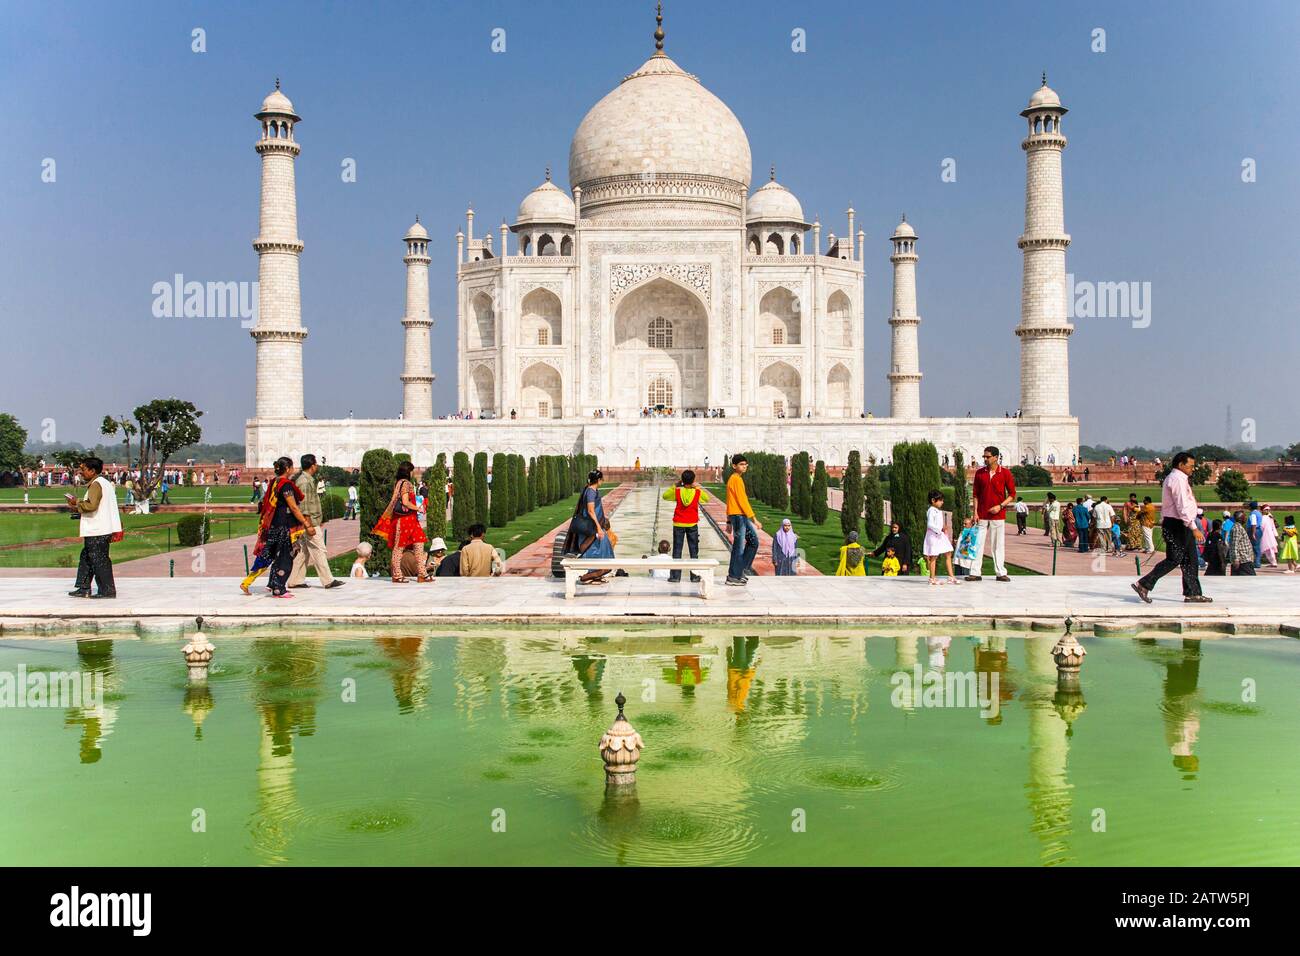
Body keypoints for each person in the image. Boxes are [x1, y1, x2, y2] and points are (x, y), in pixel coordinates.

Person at [1132, 452, 1210, 603]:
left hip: (1180, 523)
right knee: (1174, 559)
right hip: (1177, 524)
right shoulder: (1176, 479)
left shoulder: (1179, 478)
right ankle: (1143, 584)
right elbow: (1182, 506)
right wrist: (1193, 527)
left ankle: (1192, 593)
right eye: (1190, 466)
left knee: (1190, 560)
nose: (1192, 469)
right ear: (1181, 465)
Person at [66, 457, 121, 599]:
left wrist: (76, 502)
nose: (81, 473)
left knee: (99, 560)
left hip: (98, 530)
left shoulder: (96, 484)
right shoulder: (104, 483)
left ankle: (107, 590)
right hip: (101, 528)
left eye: (83, 470)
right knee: (87, 557)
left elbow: (91, 506)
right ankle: (84, 588)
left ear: (92, 470)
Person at [287, 454, 343, 590]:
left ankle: (294, 580)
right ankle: (328, 580)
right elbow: (304, 506)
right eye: (316, 463)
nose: (317, 466)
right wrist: (308, 525)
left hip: (308, 521)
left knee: (303, 552)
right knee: (319, 549)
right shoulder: (305, 482)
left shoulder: (305, 479)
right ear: (312, 465)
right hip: (308, 522)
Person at [263, 456, 314, 598]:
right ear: (287, 468)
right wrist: (306, 523)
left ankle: (273, 584)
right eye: (292, 467)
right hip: (284, 525)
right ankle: (279, 589)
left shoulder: (275, 482)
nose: (293, 469)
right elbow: (293, 506)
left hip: (275, 523)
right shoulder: (285, 484)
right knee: (285, 556)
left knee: (278, 556)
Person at [374, 461, 428, 583]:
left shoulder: (399, 483)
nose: (413, 473)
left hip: (411, 520)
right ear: (408, 471)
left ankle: (422, 573)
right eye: (412, 470)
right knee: (399, 547)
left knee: (419, 543)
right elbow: (405, 502)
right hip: (404, 520)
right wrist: (417, 508)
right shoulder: (405, 483)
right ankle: (397, 575)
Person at [969, 446, 1015, 581]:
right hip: (982, 514)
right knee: (977, 544)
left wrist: (1000, 506)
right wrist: (975, 512)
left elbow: (1012, 494)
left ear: (996, 457)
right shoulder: (980, 473)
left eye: (987, 457)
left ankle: (1000, 572)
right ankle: (975, 572)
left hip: (997, 514)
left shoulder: (1005, 473)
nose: (985, 459)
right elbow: (975, 494)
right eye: (984, 457)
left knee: (998, 544)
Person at [662, 469, 712, 583]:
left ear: (682, 480)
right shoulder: (697, 493)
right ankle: (694, 576)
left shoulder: (678, 492)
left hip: (678, 523)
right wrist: (697, 487)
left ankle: (675, 577)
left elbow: (665, 496)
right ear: (693, 480)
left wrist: (675, 485)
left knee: (677, 551)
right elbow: (707, 498)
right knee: (693, 551)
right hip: (692, 524)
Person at [566, 470, 613, 585]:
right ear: (598, 480)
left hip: (593, 528)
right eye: (601, 479)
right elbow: (591, 511)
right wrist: (598, 527)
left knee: (602, 549)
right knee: (598, 550)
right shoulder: (591, 492)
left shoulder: (592, 490)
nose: (602, 481)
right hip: (591, 529)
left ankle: (595, 575)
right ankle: (588, 576)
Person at [725, 455, 761, 586]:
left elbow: (729, 501)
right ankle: (734, 575)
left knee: (752, 542)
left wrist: (728, 521)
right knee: (739, 546)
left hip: (738, 516)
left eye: (745, 464)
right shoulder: (736, 480)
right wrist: (754, 519)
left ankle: (738, 571)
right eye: (741, 464)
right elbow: (742, 501)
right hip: (739, 517)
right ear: (734, 466)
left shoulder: (735, 479)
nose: (744, 466)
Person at [924, 490, 957, 585]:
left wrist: (942, 528)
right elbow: (930, 524)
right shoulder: (931, 511)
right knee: (933, 556)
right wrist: (938, 530)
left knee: (948, 552)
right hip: (933, 535)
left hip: (939, 535)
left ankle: (951, 576)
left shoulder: (937, 511)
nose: (942, 502)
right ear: (933, 500)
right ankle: (932, 578)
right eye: (940, 500)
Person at [1227, 510, 1255, 576]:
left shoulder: (1239, 527)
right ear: (1240, 518)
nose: (1246, 518)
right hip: (1242, 561)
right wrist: (1236, 559)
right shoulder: (1237, 528)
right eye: (1244, 516)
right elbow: (1235, 545)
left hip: (1245, 560)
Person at [1247, 501, 1263, 569]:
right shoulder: (1259, 513)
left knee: (1255, 547)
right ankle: (1257, 562)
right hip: (1258, 530)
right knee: (1257, 546)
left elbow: (1254, 524)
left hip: (1254, 530)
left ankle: (1256, 563)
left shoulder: (1253, 514)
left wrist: (1253, 533)